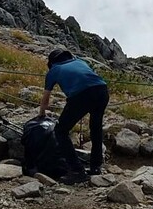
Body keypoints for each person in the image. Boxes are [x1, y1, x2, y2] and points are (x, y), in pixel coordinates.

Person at [38, 49, 110, 183]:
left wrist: (41, 115)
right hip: (102, 90)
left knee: (60, 131)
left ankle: (77, 171)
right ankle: (95, 167)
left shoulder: (54, 70)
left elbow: (45, 99)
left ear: (51, 62)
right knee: (96, 128)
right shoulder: (79, 61)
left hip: (82, 95)